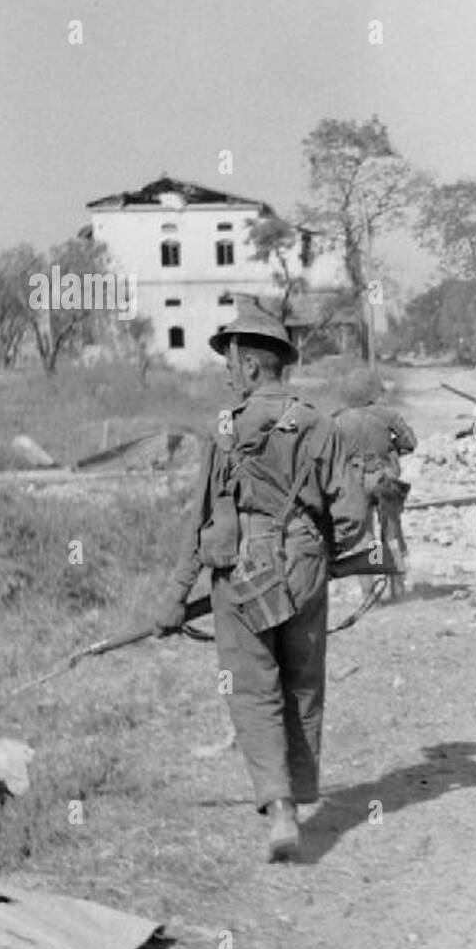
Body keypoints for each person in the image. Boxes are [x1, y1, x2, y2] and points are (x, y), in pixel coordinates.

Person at [156, 301, 368, 862]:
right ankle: (298, 794)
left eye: (229, 360)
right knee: (302, 684)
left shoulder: (226, 429)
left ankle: (278, 809)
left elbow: (200, 520)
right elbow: (352, 516)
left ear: (251, 367)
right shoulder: (319, 423)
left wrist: (176, 597)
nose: (227, 372)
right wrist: (328, 553)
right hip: (304, 565)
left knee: (252, 690)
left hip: (242, 572)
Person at [332, 369, 417, 598]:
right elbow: (410, 442)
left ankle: (369, 590)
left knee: (365, 537)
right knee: (391, 532)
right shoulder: (387, 415)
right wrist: (392, 451)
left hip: (355, 482)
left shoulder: (337, 420)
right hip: (385, 478)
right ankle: (397, 588)